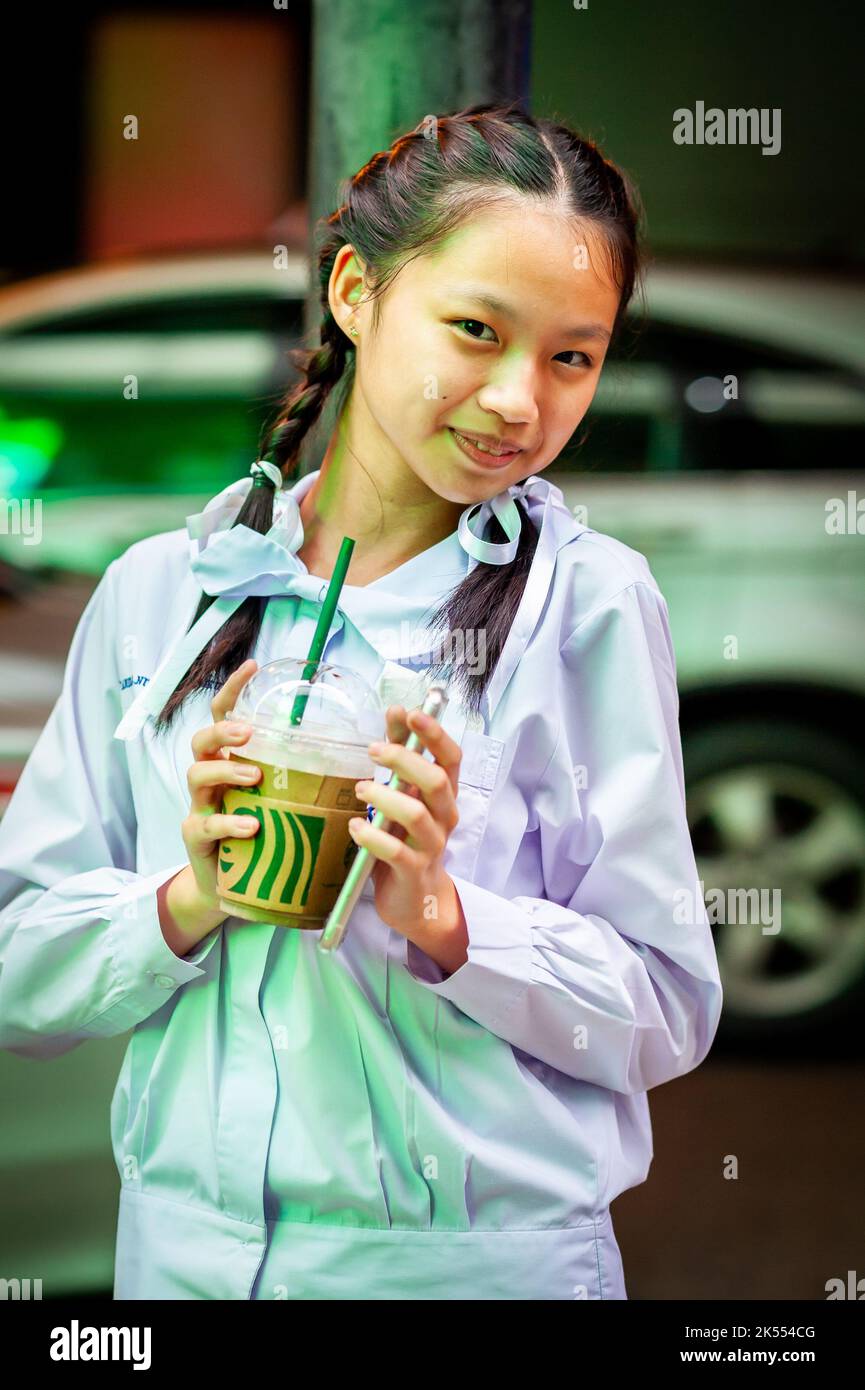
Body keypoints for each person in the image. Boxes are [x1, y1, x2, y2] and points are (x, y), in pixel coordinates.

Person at [0, 102, 723, 1300]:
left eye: (570, 357)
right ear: (354, 291)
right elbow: (19, 970)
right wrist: (189, 896)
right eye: (475, 330)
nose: (516, 402)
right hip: (179, 1266)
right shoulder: (163, 590)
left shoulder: (589, 606)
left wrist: (449, 919)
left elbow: (663, 1008)